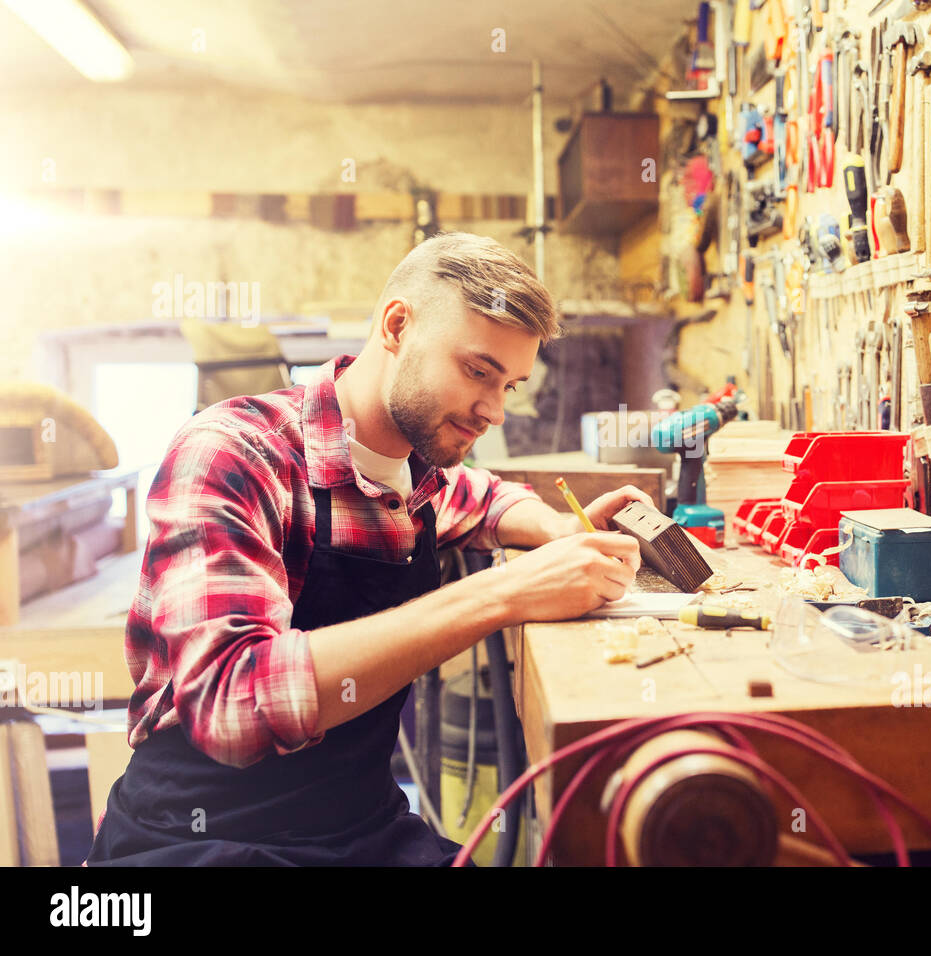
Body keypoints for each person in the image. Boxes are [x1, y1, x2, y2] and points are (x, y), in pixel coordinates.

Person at [86, 232, 647, 865]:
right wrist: (507, 594)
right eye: (476, 371)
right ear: (397, 325)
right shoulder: (234, 454)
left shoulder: (414, 465)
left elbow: (483, 497)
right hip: (207, 837)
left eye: (510, 385)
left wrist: (557, 529)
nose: (493, 409)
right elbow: (232, 701)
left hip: (360, 825)